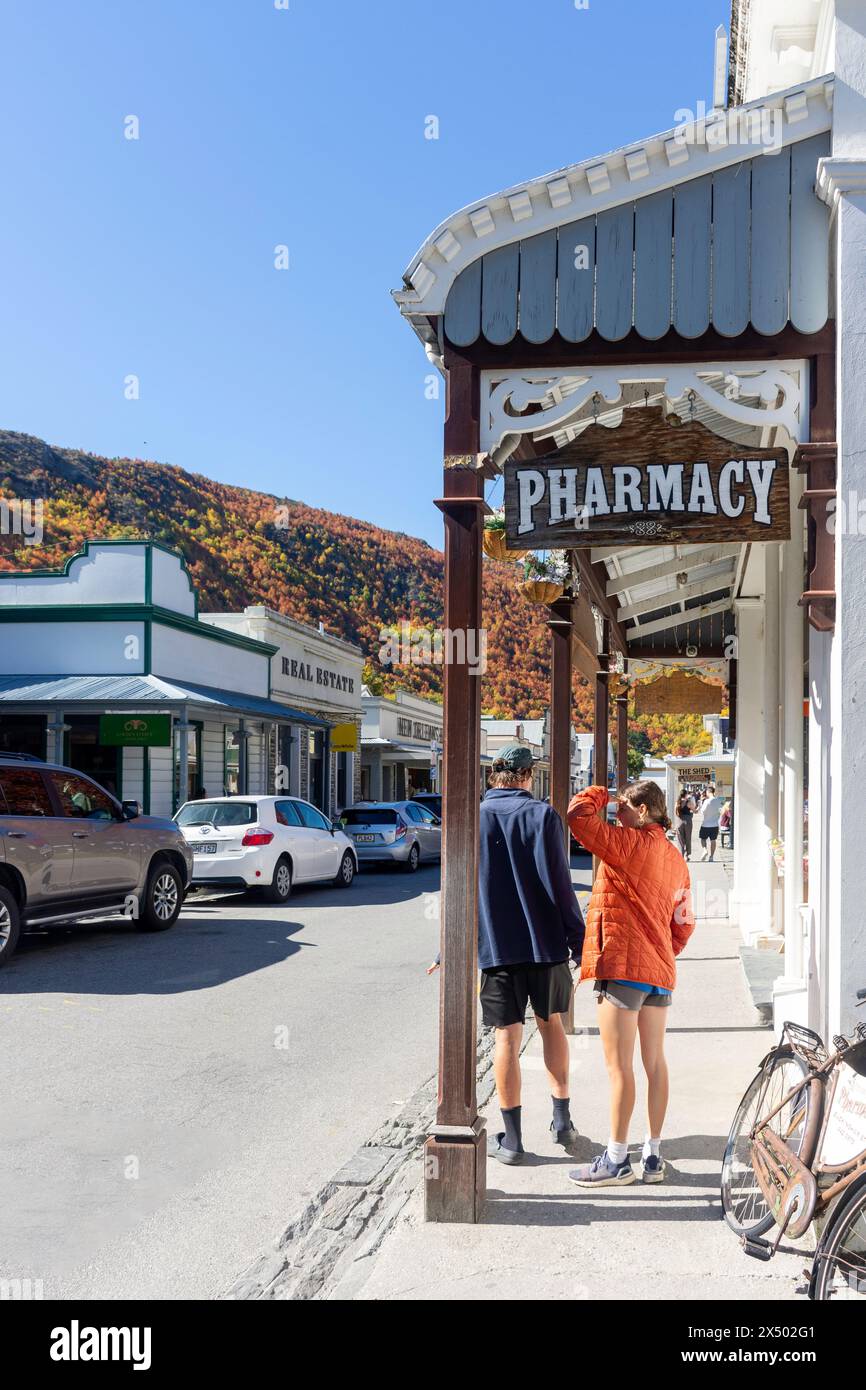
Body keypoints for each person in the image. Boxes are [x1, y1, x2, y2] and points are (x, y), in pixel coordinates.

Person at [429, 744, 585, 1164]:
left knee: (506, 1038)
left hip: (496, 948)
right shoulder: (544, 816)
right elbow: (561, 884)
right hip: (545, 944)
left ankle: (513, 1141)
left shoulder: (471, 817)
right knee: (552, 1025)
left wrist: (448, 949)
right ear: (527, 776)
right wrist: (578, 940)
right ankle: (561, 1121)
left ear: (493, 777)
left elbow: (458, 886)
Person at [565, 781, 694, 1187]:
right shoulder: (675, 858)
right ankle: (653, 1156)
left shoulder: (626, 844)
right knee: (655, 1063)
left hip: (622, 967)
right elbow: (686, 921)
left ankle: (617, 1160)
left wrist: (599, 791)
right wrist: (664, 948)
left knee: (619, 1067)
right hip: (659, 972)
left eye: (622, 807)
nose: (615, 814)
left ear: (642, 811)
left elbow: (577, 817)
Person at [697, 784, 725, 861]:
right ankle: (711, 857)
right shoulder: (719, 801)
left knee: (703, 839)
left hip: (705, 824)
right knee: (713, 840)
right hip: (715, 825)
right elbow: (722, 811)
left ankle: (705, 850)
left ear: (708, 792)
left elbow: (702, 812)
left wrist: (700, 803)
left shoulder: (706, 801)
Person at [675, 790, 694, 860]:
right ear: (686, 795)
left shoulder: (677, 802)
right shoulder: (688, 802)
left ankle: (681, 855)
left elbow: (676, 813)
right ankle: (687, 855)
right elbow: (694, 810)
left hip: (679, 821)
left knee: (680, 839)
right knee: (688, 838)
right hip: (687, 821)